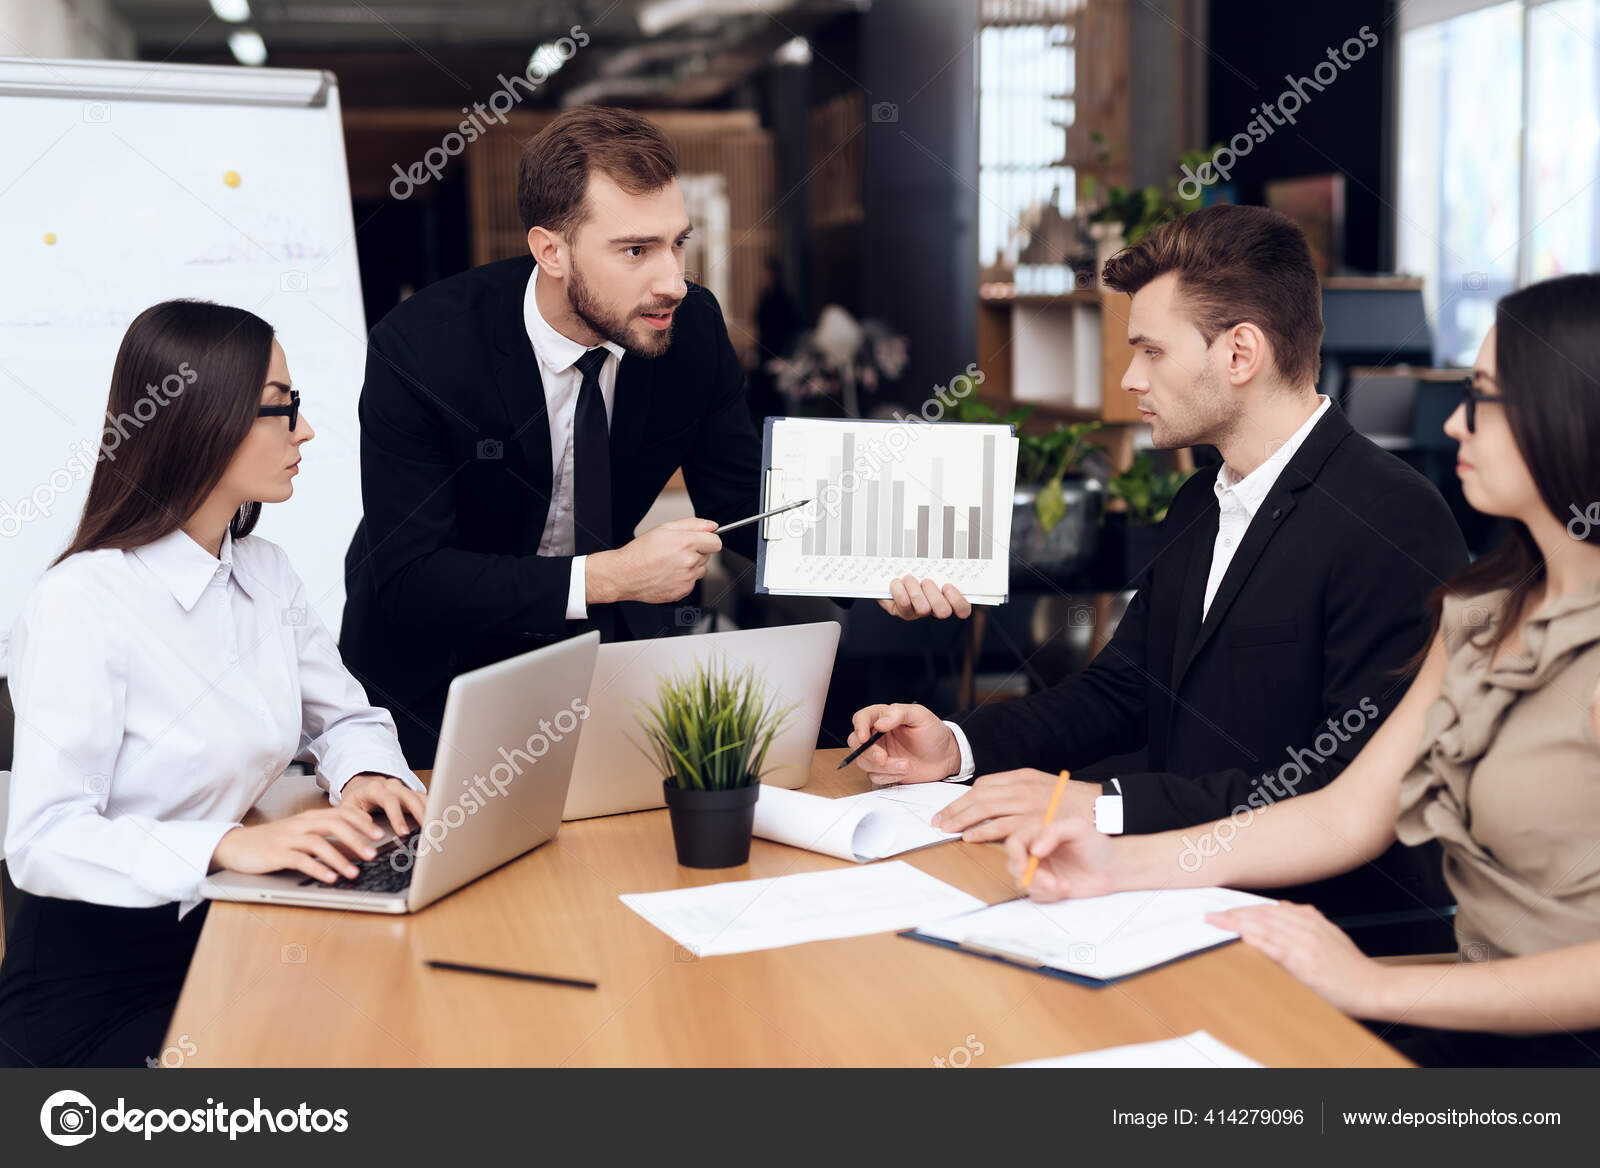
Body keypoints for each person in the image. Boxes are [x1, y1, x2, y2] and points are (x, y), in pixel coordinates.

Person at [1006, 273, 1600, 1066]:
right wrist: (1116, 862)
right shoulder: (1484, 613)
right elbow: (1344, 815)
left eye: (1485, 397)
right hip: (1474, 1023)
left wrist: (1374, 988)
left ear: (1575, 417)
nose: (1456, 421)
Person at [848, 205, 1465, 928]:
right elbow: (1122, 691)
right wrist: (955, 746)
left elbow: (1343, 787)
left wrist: (1108, 805)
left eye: (1151, 351)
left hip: (1318, 928)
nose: (1131, 379)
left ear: (1240, 354)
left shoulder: (1391, 518)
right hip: (1172, 895)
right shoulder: (1198, 501)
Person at [339, 105, 960, 769]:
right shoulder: (424, 348)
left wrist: (881, 573)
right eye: (636, 250)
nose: (672, 281)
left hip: (593, 656)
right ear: (551, 250)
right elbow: (412, 576)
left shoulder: (690, 328)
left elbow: (743, 499)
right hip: (431, 668)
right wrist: (610, 576)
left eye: (677, 243)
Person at [0, 301, 426, 1068]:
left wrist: (365, 772)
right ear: (201, 419)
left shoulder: (263, 574)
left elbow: (341, 718)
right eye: (279, 409)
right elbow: (42, 839)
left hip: (225, 932)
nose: (304, 430)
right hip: (96, 991)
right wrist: (229, 844)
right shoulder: (82, 603)